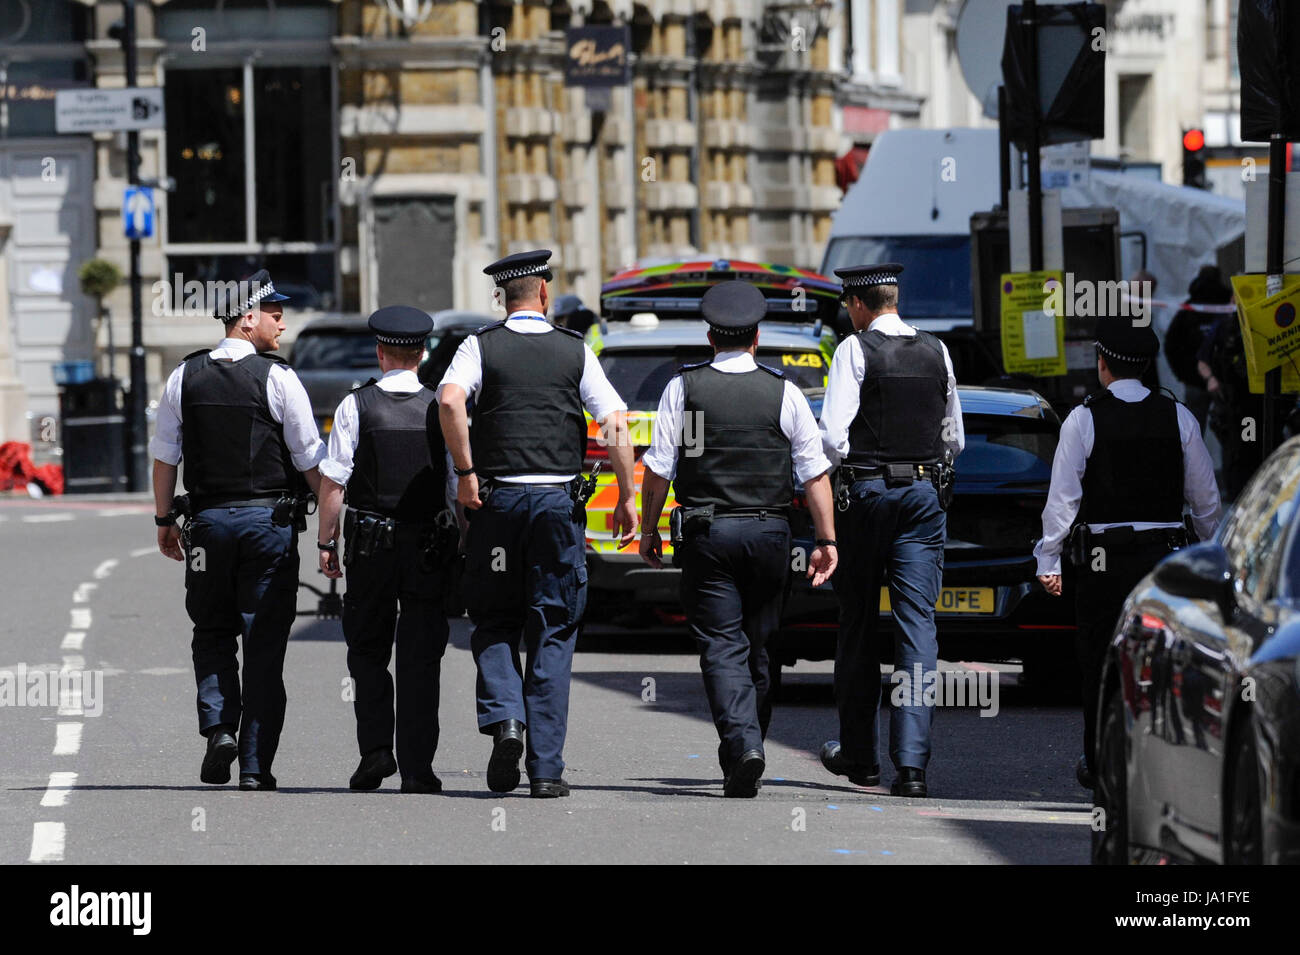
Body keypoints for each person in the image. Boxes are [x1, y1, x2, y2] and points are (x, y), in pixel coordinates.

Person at [437, 249, 638, 798]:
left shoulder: (478, 345)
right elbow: (616, 422)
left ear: (503, 296)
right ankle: (546, 770)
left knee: (496, 620)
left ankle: (506, 721)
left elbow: (450, 403)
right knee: (552, 628)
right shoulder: (575, 350)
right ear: (545, 293)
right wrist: (626, 496)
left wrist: (466, 472)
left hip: (497, 504)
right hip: (556, 505)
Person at [638, 281, 838, 797]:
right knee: (761, 647)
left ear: (710, 337)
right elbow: (815, 474)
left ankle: (744, 745)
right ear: (756, 338)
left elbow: (660, 467)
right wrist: (826, 539)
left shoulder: (683, 388)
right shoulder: (784, 391)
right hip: (770, 534)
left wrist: (652, 527)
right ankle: (749, 746)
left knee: (721, 647)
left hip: (708, 534)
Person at [151, 269, 324, 791]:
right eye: (275, 315)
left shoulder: (184, 376)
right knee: (264, 644)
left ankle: (220, 728)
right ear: (248, 318)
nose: (283, 324)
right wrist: (333, 518)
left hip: (205, 526)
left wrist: (164, 520)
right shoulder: (278, 377)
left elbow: (164, 457)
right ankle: (254, 765)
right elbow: (309, 458)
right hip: (266, 525)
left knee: (211, 632)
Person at [1035, 315, 1221, 790]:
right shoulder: (1177, 415)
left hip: (1104, 564)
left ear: (1103, 365)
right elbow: (1205, 501)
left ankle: (1100, 763)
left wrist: (1049, 559)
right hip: (1163, 563)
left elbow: (1063, 500)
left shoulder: (1084, 418)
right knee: (1162, 661)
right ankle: (1158, 767)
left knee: (1100, 661)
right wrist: (1209, 554)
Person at [818, 263, 964, 798]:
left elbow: (832, 438)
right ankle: (912, 766)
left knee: (857, 623)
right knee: (917, 628)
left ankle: (860, 758)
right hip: (925, 499)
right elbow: (956, 440)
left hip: (865, 497)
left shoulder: (854, 350)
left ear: (858, 304)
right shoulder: (937, 351)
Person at [317, 306, 455, 794]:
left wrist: (325, 540)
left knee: (368, 651)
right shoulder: (442, 407)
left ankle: (376, 752)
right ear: (422, 355)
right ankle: (419, 768)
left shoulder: (357, 405)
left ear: (380, 353)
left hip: (370, 545)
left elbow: (335, 479)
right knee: (422, 656)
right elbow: (458, 484)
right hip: (428, 546)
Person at [1165, 265, 1232, 434]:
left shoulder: (1188, 309)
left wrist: (1184, 375)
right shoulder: (1227, 305)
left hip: (1194, 381)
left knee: (1193, 432)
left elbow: (1170, 345)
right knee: (1229, 430)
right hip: (1224, 381)